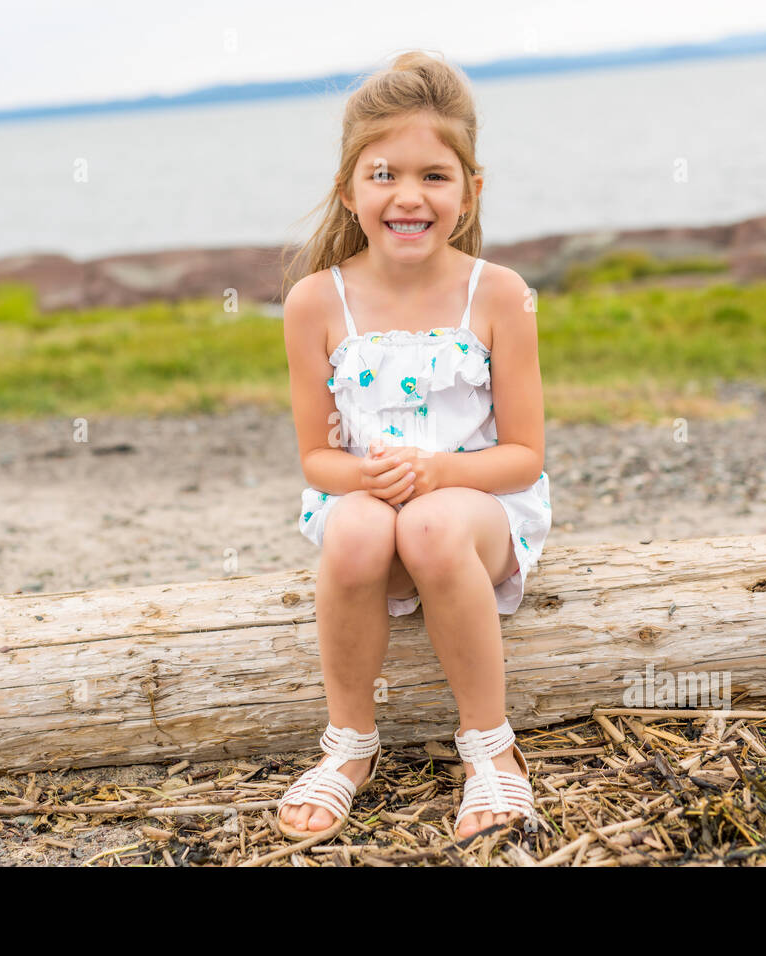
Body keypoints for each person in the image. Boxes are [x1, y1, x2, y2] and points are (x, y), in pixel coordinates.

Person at [277, 50, 552, 841]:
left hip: (480, 511)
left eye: (435, 175)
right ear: (349, 189)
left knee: (432, 523)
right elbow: (317, 461)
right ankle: (350, 743)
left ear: (470, 191)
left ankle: (491, 751)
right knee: (359, 524)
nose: (409, 196)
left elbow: (525, 454)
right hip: (370, 504)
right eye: (384, 174)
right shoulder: (314, 302)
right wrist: (367, 475)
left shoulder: (498, 293)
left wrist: (437, 473)